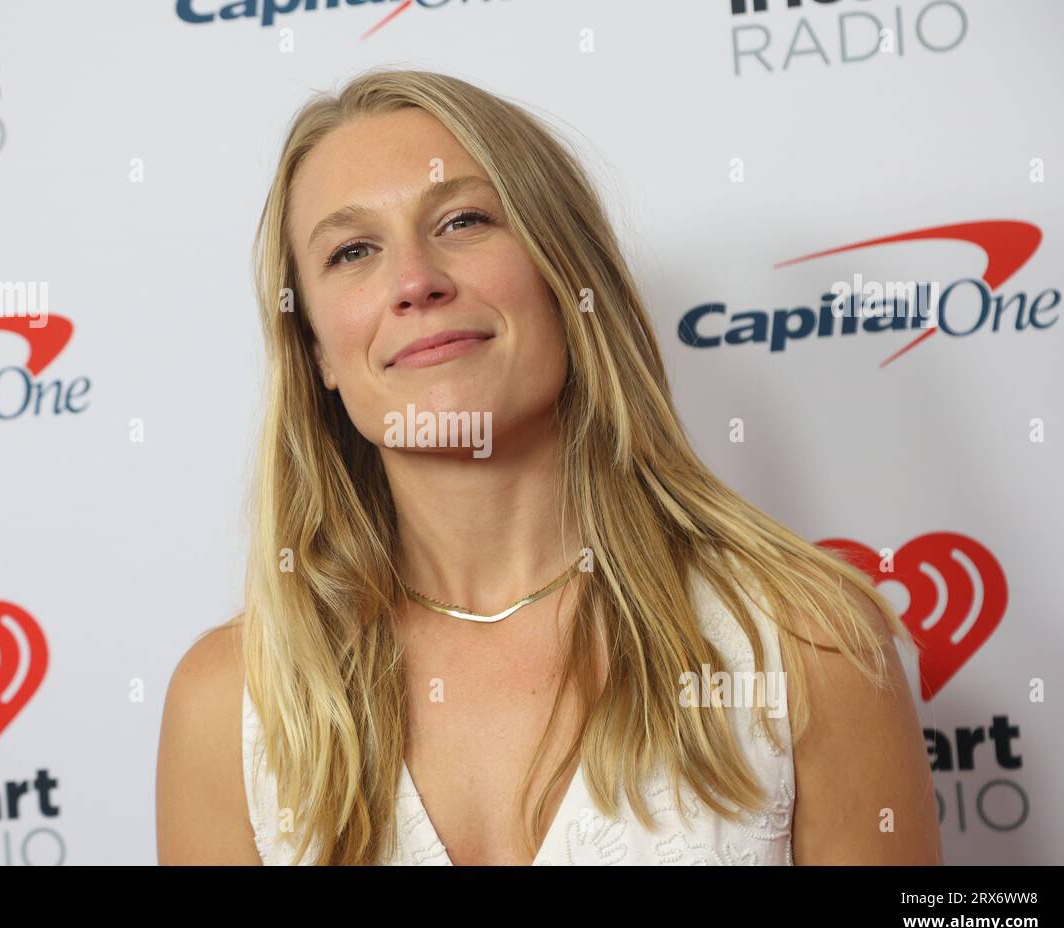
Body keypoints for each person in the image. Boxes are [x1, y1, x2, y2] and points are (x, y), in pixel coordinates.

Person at [156, 67, 941, 866]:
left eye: (463, 220)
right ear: (316, 347)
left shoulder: (810, 645)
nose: (415, 282)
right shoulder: (229, 706)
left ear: (567, 276)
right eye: (353, 251)